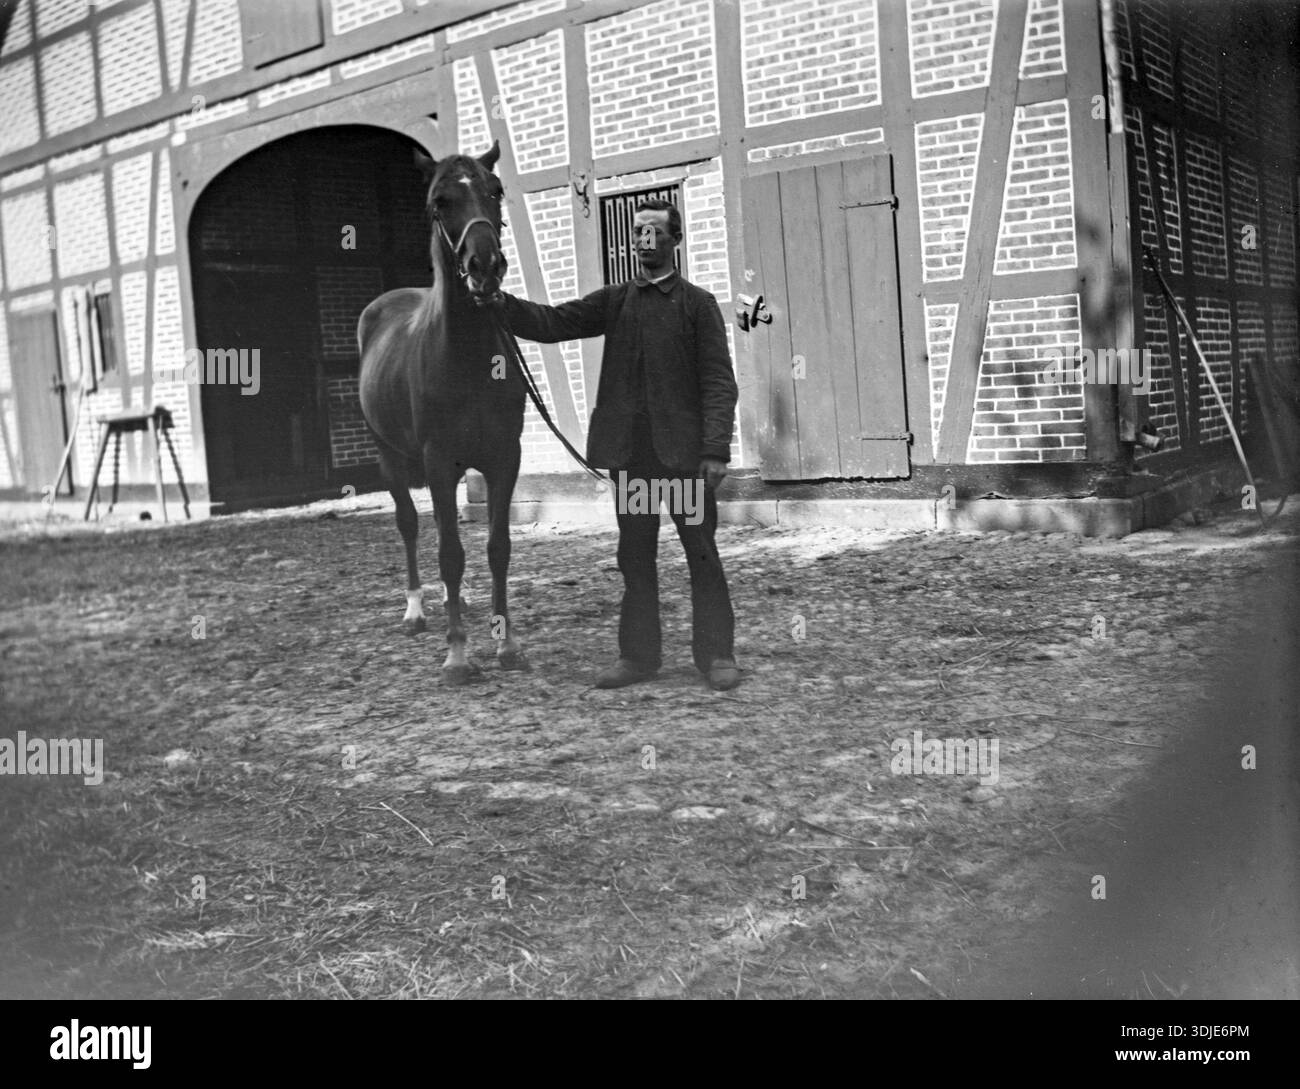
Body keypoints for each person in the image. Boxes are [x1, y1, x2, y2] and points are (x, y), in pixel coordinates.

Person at [494, 198, 740, 691]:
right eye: (636, 230)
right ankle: (638, 657)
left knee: (702, 555)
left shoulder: (697, 305)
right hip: (632, 460)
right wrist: (499, 302)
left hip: (684, 462)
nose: (643, 238)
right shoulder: (614, 301)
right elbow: (553, 322)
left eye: (654, 230)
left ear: (675, 239)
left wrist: (714, 449)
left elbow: (719, 381)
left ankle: (716, 656)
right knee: (635, 556)